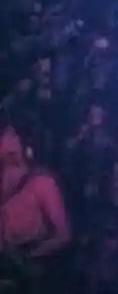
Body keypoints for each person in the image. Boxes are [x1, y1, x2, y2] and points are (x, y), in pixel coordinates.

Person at [0, 122, 72, 293]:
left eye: (10, 135)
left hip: (27, 274)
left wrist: (29, 257)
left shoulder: (42, 183)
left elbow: (63, 235)